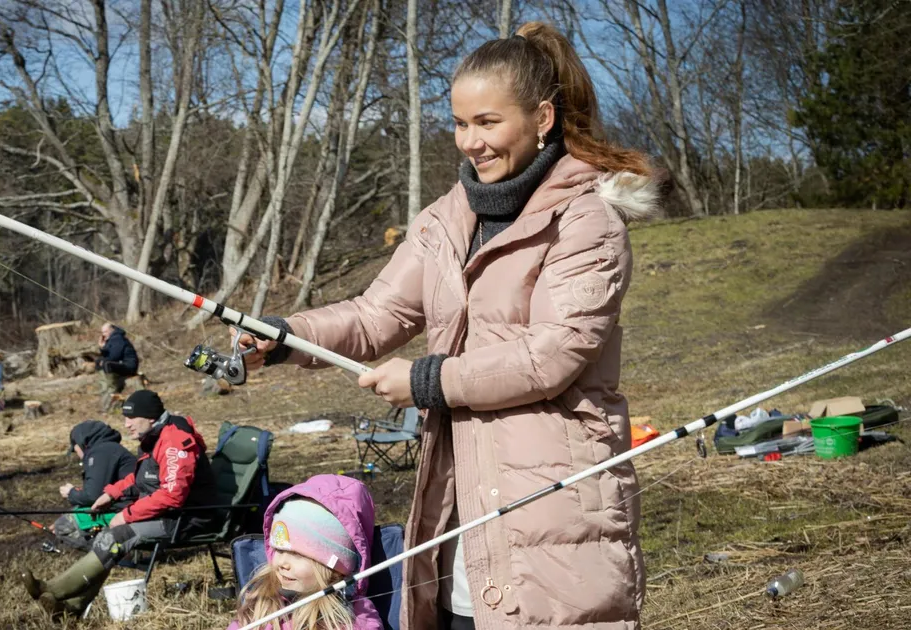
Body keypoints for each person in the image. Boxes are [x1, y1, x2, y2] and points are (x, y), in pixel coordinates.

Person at [236, 23, 658, 630]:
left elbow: (554, 353)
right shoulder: (443, 220)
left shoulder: (587, 222)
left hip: (554, 509)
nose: (471, 142)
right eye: (461, 124)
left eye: (488, 122)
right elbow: (375, 315)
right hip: (460, 504)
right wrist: (285, 336)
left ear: (542, 118)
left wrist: (428, 381)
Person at [19, 389, 218, 618]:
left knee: (117, 536)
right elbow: (142, 476)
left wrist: (128, 514)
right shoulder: (155, 436)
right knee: (110, 535)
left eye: (131, 418)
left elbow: (172, 495)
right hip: (169, 514)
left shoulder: (173, 442)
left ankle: (53, 590)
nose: (126, 425)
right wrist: (112, 493)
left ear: (150, 417)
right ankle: (73, 606)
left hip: (188, 518)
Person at [227, 474, 381, 630]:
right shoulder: (263, 602)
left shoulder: (353, 618)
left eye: (297, 555)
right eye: (279, 550)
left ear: (334, 566)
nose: (282, 563)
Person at [50, 419, 137, 550]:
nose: (78, 456)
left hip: (127, 509)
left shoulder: (100, 451)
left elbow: (93, 495)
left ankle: (112, 555)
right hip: (126, 504)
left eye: (75, 450)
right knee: (64, 521)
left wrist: (71, 493)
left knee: (63, 526)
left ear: (80, 443)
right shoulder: (108, 449)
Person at [96, 322, 139, 412]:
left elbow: (115, 356)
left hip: (129, 366)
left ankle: (112, 392)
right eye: (102, 332)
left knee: (106, 364)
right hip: (120, 364)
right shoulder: (111, 339)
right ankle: (105, 393)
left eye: (105, 332)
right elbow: (107, 355)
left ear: (112, 330)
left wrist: (103, 357)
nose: (103, 335)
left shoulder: (117, 338)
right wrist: (102, 348)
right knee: (99, 362)